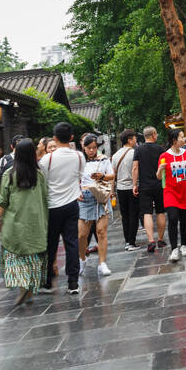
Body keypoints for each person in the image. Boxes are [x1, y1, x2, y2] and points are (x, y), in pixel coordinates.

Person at [0, 138, 49, 306]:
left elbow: (3, 200)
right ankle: (30, 289)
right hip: (36, 223)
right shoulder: (38, 174)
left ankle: (23, 288)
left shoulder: (9, 174)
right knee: (33, 256)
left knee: (16, 256)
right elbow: (45, 197)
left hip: (14, 223)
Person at [40, 122, 84, 295]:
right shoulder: (79, 156)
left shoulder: (47, 159)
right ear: (72, 137)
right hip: (72, 204)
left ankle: (48, 281)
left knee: (50, 244)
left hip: (52, 206)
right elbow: (80, 176)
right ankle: (73, 282)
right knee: (71, 242)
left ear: (55, 138)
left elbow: (42, 180)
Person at [78, 133, 113, 277]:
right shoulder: (79, 161)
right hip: (84, 198)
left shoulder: (104, 160)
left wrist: (102, 176)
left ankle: (102, 263)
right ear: (83, 147)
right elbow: (74, 177)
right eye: (89, 148)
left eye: (94, 148)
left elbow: (111, 175)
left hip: (100, 197)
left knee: (101, 232)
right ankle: (81, 259)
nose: (92, 150)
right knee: (81, 235)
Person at [158, 128, 186, 262]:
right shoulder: (164, 156)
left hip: (184, 191)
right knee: (173, 218)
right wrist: (160, 169)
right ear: (174, 140)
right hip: (170, 191)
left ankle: (183, 245)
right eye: (181, 137)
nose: (184, 139)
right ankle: (174, 248)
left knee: (184, 219)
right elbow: (158, 177)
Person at [132, 126, 166, 252]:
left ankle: (151, 240)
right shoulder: (161, 149)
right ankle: (161, 239)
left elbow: (135, 168)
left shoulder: (138, 149)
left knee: (147, 213)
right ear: (153, 135)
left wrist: (134, 184)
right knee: (160, 212)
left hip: (145, 186)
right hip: (159, 185)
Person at [111, 129, 139, 251]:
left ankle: (127, 241)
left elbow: (113, 175)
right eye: (134, 138)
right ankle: (132, 242)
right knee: (134, 215)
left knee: (125, 215)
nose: (136, 140)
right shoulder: (134, 153)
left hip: (120, 188)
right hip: (132, 187)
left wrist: (112, 191)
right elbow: (136, 170)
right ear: (129, 140)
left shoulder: (116, 155)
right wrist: (135, 185)